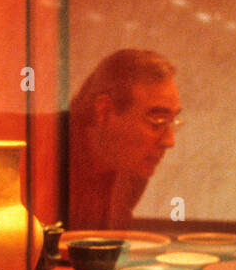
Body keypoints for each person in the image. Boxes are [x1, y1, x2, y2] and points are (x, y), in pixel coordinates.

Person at [68, 50, 180, 230]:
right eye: (158, 120)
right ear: (104, 111)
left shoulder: (131, 169)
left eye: (172, 121)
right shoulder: (45, 154)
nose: (169, 141)